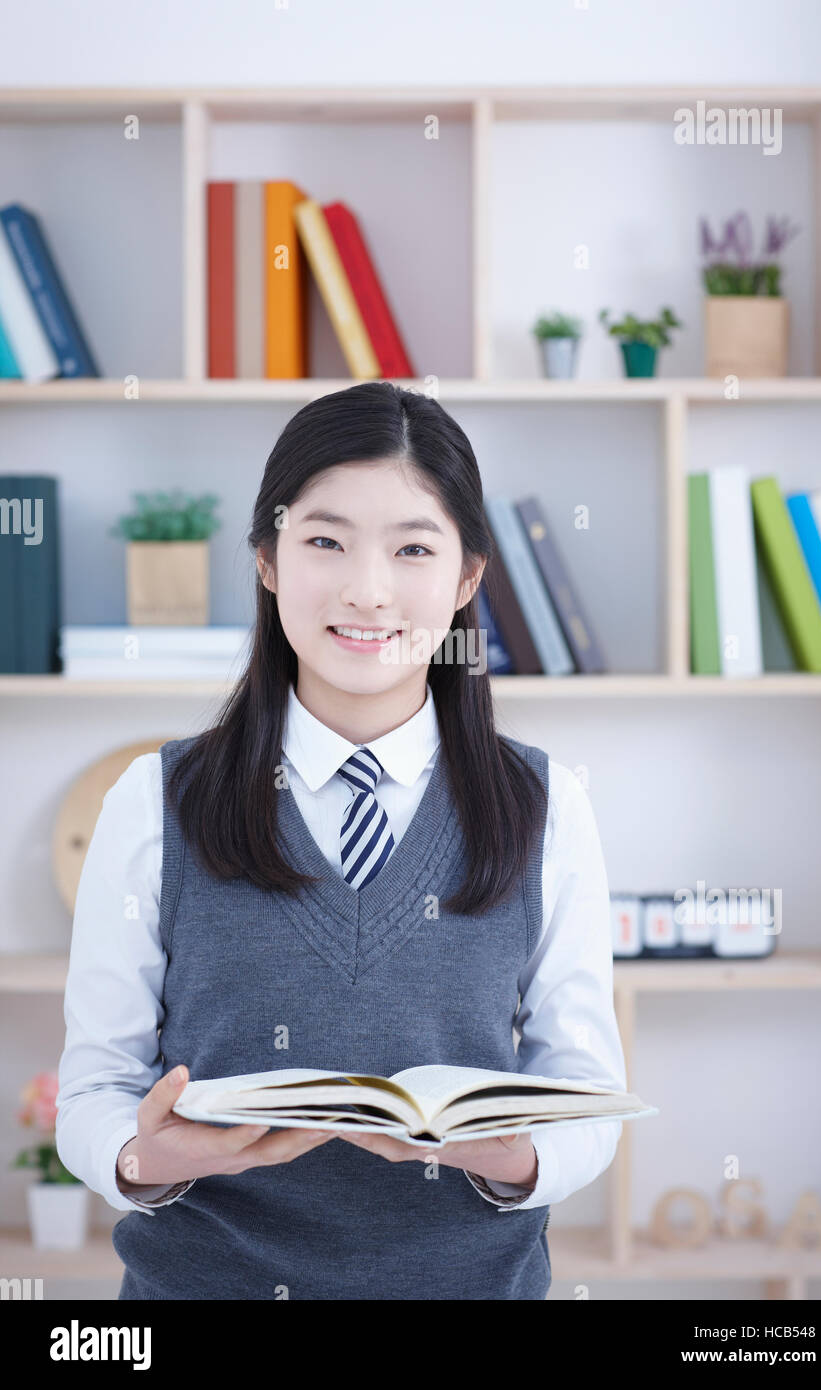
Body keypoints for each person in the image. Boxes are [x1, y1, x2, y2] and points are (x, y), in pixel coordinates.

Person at [56, 380, 626, 1300]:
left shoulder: (546, 804)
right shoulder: (154, 800)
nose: (368, 590)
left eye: (412, 549)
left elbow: (588, 1093)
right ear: (269, 560)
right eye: (325, 541)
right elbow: (94, 1091)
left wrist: (510, 1155)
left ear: (468, 577)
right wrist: (138, 1157)